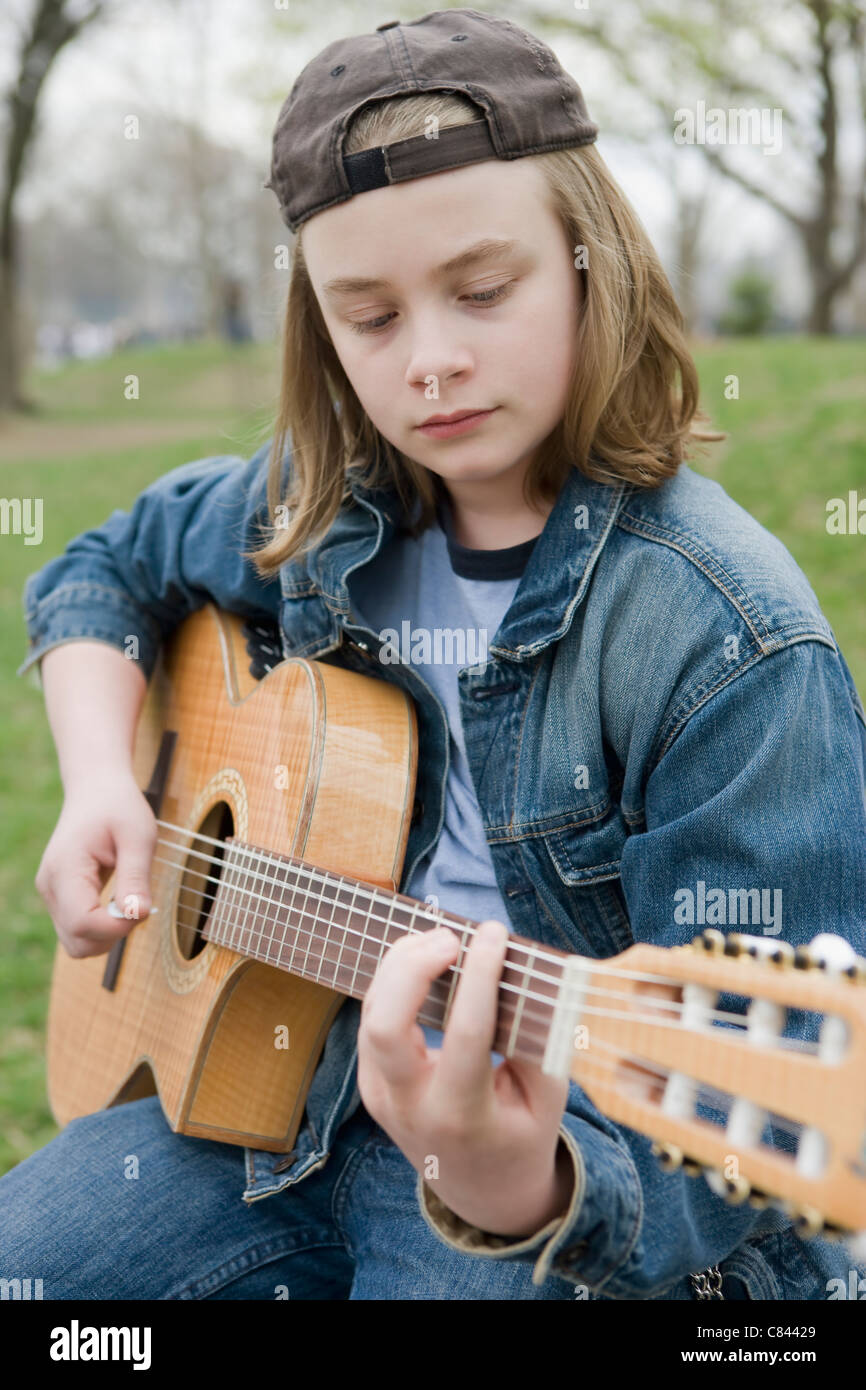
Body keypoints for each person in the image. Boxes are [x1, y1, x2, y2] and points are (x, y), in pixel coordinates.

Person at [3, 9, 866, 1302]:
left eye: (480, 290)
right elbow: (99, 572)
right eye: (369, 316)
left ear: (591, 261)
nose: (432, 361)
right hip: (286, 1081)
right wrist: (104, 787)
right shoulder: (318, 501)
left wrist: (520, 1180)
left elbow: (759, 1094)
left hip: (559, 1154)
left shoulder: (726, 635)